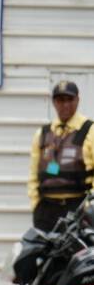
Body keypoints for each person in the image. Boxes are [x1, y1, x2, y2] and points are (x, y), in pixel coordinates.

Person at [28, 81, 94, 233]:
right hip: (46, 210)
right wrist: (35, 204)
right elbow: (33, 173)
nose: (65, 105)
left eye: (69, 100)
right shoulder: (43, 133)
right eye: (60, 100)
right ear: (54, 102)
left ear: (77, 100)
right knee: (44, 255)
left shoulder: (89, 131)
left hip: (77, 208)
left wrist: (88, 208)